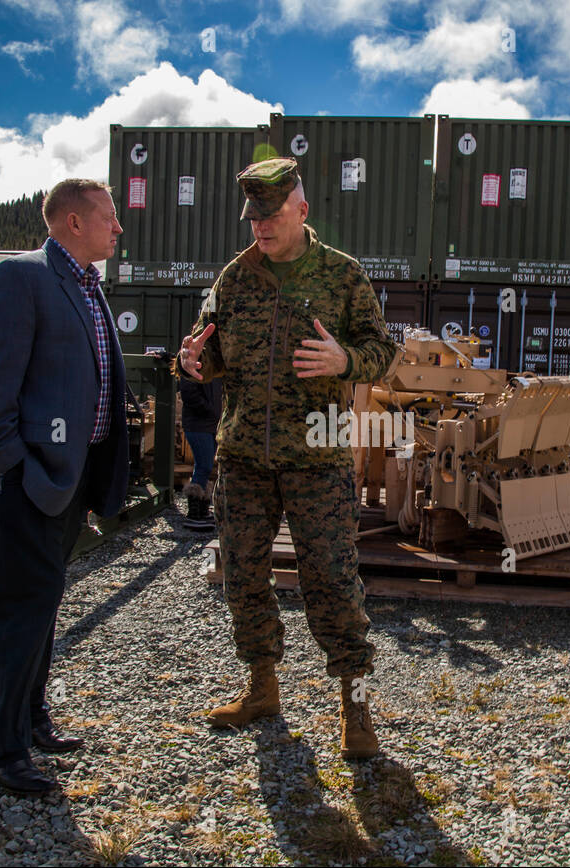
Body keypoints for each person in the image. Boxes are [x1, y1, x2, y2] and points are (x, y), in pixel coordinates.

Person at [177, 157, 397, 760]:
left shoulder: (342, 276)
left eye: (271, 216)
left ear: (302, 211)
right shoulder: (235, 277)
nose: (260, 228)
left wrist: (344, 363)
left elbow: (383, 350)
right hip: (245, 456)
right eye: (253, 218)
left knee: (330, 579)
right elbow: (208, 348)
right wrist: (192, 361)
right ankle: (262, 688)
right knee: (243, 575)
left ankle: (355, 711)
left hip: (319, 457)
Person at [0, 178, 130, 793]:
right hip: (27, 480)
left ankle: (31, 719)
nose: (118, 229)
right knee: (19, 614)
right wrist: (13, 466)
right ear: (72, 222)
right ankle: (1, 752)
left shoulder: (88, 288)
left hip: (66, 479)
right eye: (109, 219)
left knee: (43, 608)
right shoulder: (21, 276)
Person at [178, 375, 221, 532]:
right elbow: (189, 393)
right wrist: (209, 409)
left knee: (205, 466)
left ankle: (202, 510)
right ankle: (194, 515)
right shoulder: (193, 359)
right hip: (198, 424)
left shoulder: (213, 361)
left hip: (211, 423)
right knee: (203, 466)